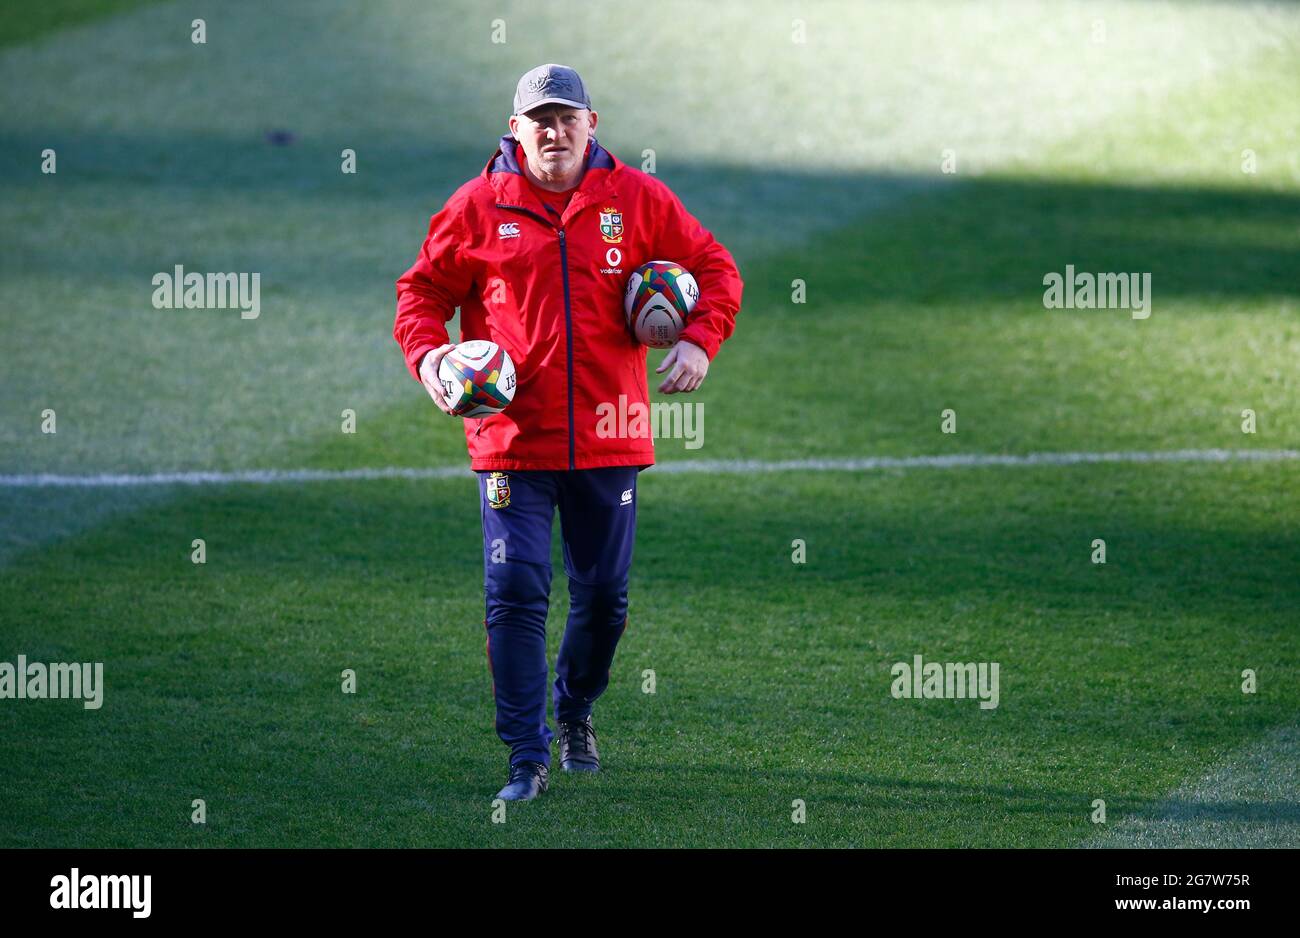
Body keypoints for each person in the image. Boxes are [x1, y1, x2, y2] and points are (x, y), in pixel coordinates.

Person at [394, 64, 743, 801]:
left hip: (610, 435)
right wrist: (429, 357)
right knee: (516, 591)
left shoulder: (637, 199)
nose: (554, 132)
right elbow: (421, 291)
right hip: (511, 443)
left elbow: (714, 267)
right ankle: (526, 755)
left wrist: (698, 340)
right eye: (539, 120)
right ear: (514, 129)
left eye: (567, 118)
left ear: (594, 124)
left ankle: (575, 707)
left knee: (605, 598)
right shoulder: (480, 205)